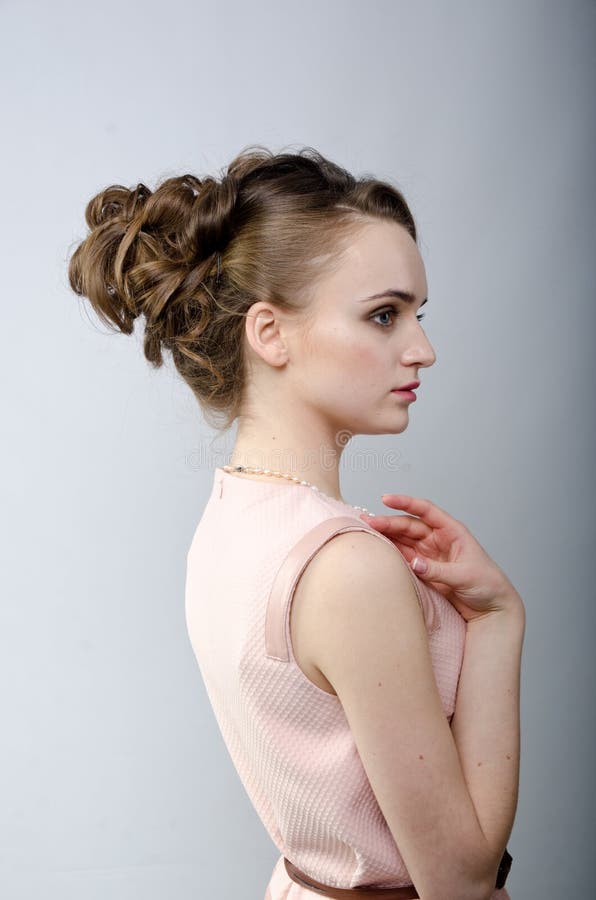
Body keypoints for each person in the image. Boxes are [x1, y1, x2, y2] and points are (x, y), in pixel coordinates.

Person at [68, 145, 525, 899]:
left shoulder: (228, 521)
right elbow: (462, 880)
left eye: (417, 314)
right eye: (384, 315)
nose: (424, 349)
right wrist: (499, 620)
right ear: (269, 333)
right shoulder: (345, 568)